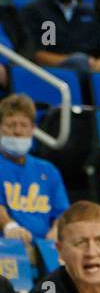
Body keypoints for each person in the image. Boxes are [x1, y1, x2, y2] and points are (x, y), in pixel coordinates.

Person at [0, 95, 69, 245]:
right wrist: (9, 226)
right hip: (7, 248)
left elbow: (62, 212)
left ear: (33, 129)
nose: (17, 131)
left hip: (45, 248)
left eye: (24, 125)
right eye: (11, 125)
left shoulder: (48, 170)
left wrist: (57, 230)